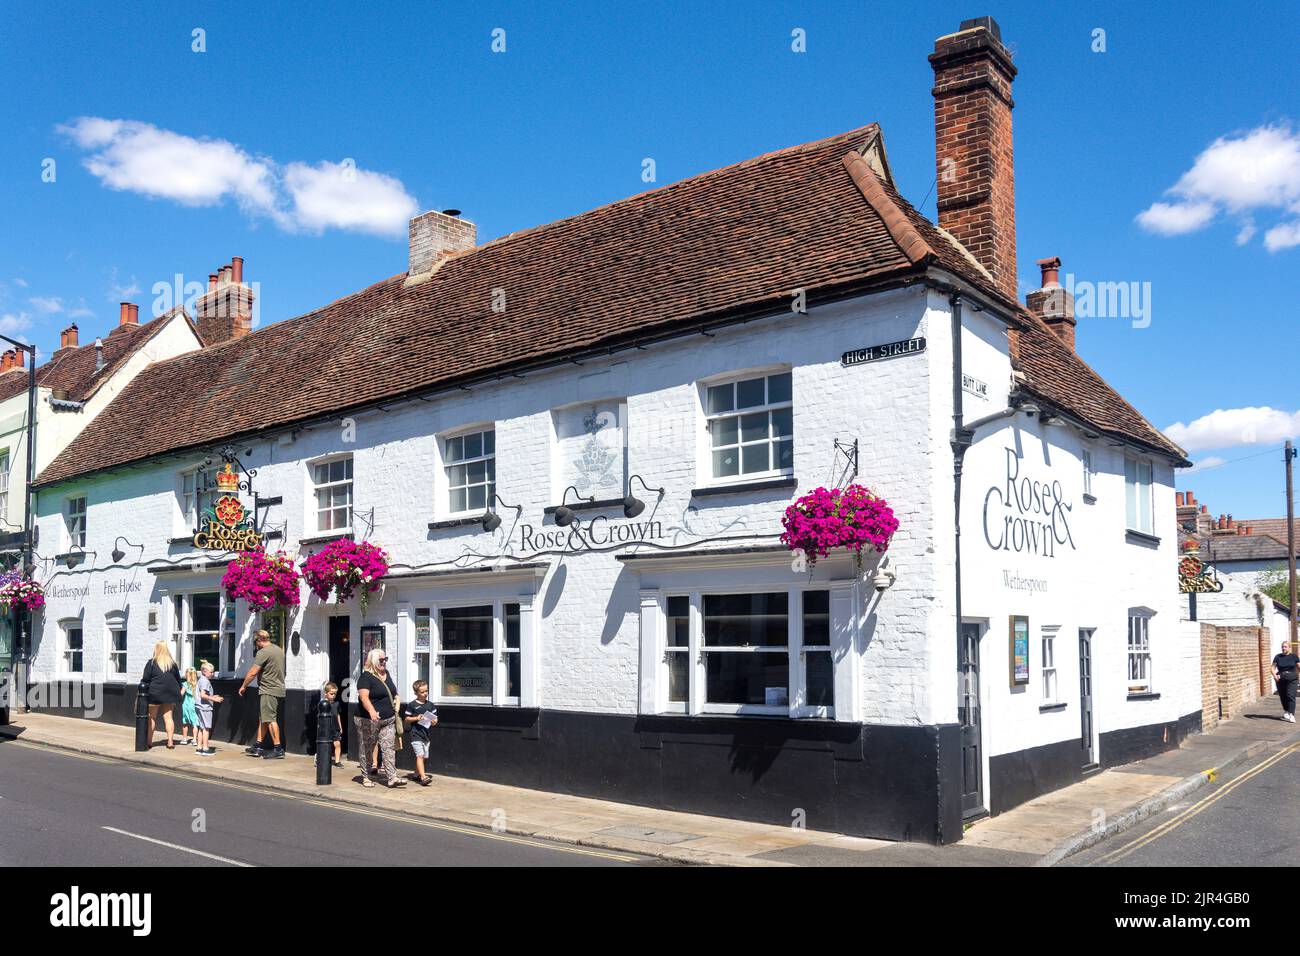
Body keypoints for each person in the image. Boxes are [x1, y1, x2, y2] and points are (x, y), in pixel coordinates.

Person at [355, 647, 405, 789]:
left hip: (388, 719)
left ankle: (392, 777)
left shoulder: (386, 674)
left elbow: (392, 692)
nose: (384, 662)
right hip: (368, 720)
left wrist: (396, 700)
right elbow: (364, 697)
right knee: (367, 749)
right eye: (381, 660)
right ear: (373, 661)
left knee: (389, 748)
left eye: (385, 660)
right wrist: (371, 711)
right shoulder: (366, 677)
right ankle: (366, 777)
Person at [238, 630, 286, 759]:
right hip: (278, 688)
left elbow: (253, 672)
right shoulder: (278, 650)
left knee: (270, 719)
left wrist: (243, 686)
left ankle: (278, 749)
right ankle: (258, 746)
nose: (255, 645)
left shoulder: (263, 652)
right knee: (264, 718)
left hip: (268, 689)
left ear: (259, 640)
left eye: (255, 642)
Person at [141, 641, 183, 750]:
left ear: (157, 649)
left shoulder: (152, 663)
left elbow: (145, 679)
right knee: (168, 718)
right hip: (170, 693)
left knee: (152, 718)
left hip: (155, 693)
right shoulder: (172, 664)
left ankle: (149, 742)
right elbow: (178, 680)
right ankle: (170, 742)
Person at [401, 679, 438, 786]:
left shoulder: (431, 705)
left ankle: (416, 774)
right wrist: (416, 718)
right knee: (420, 756)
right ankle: (423, 777)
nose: (425, 693)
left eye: (426, 691)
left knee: (424, 757)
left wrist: (434, 721)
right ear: (416, 693)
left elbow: (435, 719)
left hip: (426, 735)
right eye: (422, 692)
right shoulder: (412, 705)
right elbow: (407, 719)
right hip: (415, 734)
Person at [195, 660, 224, 756]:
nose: (213, 674)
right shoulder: (205, 681)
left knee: (201, 728)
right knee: (206, 728)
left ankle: (199, 748)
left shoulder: (201, 679)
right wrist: (214, 699)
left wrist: (213, 696)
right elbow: (203, 695)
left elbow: (204, 694)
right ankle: (205, 748)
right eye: (211, 672)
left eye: (213, 672)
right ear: (204, 671)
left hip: (199, 706)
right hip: (205, 707)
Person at [1271, 640, 1298, 723]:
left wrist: (1296, 674)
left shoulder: (1294, 656)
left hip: (1292, 679)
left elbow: (1299, 666)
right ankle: (1286, 711)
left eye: (1285, 647)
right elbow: (1272, 668)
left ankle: (1291, 715)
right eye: (1282, 647)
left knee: (1290, 695)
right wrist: (1275, 676)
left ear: (1289, 648)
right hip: (1280, 679)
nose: (1283, 648)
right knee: (1283, 696)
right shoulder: (1278, 657)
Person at [321, 681, 345, 768]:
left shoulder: (336, 704)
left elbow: (338, 715)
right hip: (326, 728)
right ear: (326, 694)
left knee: (337, 744)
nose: (333, 696)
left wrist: (340, 727)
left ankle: (337, 761)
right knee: (326, 745)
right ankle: (321, 759)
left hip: (335, 728)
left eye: (335, 694)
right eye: (331, 694)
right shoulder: (323, 704)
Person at [179, 667, 199, 746]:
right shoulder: (197, 684)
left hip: (186, 705)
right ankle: (194, 739)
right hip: (194, 705)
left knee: (185, 722)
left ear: (188, 675)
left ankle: (184, 739)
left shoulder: (185, 684)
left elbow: (181, 694)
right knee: (195, 723)